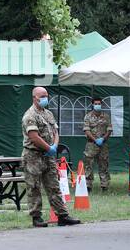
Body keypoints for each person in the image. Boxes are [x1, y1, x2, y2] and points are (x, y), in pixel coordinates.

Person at [21, 86, 81, 228]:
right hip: (33, 155)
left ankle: (62, 216)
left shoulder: (48, 114)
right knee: (34, 187)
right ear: (34, 98)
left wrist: (54, 146)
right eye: (42, 96)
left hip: (48, 155)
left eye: (46, 96)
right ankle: (37, 217)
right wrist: (48, 148)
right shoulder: (29, 115)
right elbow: (33, 137)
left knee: (54, 185)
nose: (45, 99)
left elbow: (55, 131)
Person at [81, 95, 112, 192]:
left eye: (99, 104)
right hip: (91, 145)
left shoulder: (106, 116)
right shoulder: (88, 116)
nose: (97, 105)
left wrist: (103, 139)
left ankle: (104, 185)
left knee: (104, 164)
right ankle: (88, 186)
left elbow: (109, 129)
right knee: (88, 165)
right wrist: (95, 140)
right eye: (96, 104)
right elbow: (86, 130)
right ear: (92, 105)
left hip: (103, 144)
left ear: (101, 104)